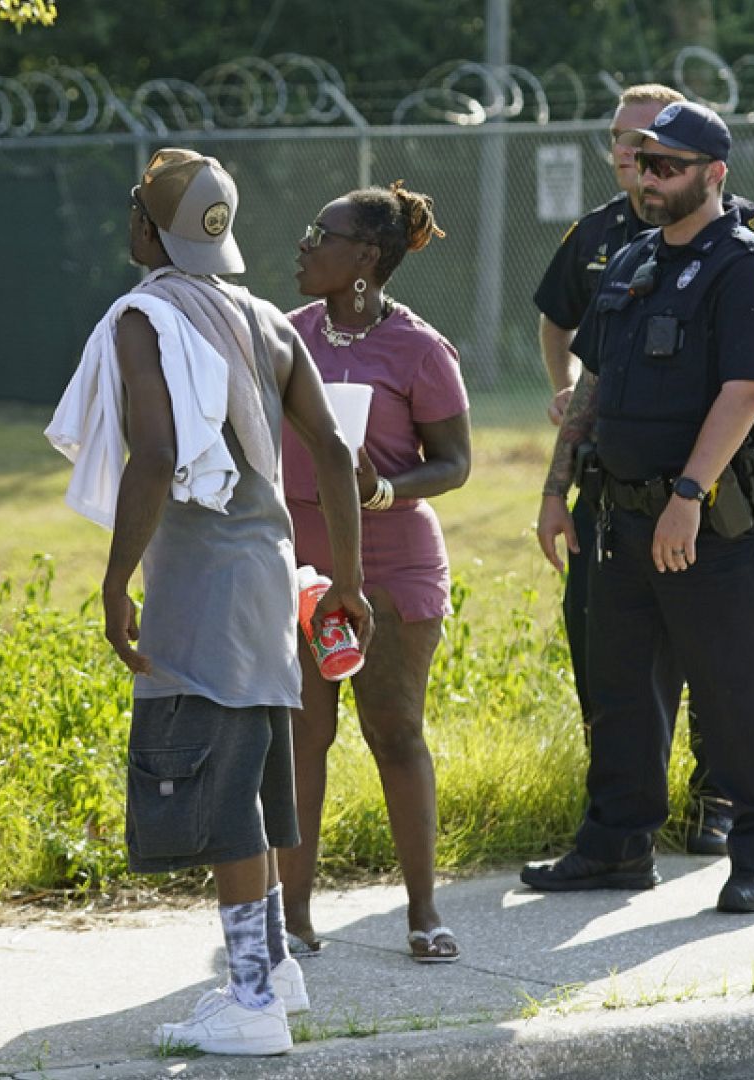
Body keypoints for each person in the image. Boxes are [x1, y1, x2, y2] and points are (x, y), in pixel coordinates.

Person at [48, 149, 370, 1056]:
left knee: (223, 793)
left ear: (149, 230)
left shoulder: (145, 317)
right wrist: (343, 580)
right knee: (258, 786)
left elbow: (153, 456)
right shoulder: (267, 319)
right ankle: (274, 971)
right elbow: (336, 455)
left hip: (202, 586)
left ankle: (254, 1002)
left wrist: (115, 583)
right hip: (269, 576)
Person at [532, 84, 754, 856]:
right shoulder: (632, 258)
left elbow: (748, 388)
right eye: (641, 161)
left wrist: (686, 495)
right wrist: (553, 490)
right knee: (621, 694)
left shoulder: (748, 265)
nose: (646, 178)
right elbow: (596, 383)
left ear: (711, 174)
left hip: (707, 519)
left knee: (732, 690)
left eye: (666, 167)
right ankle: (615, 847)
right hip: (619, 514)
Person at [277, 182, 470, 963]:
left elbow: (455, 463)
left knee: (394, 733)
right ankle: (292, 917)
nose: (303, 243)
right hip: (297, 564)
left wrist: (384, 488)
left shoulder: (421, 349)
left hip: (393, 565)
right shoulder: (285, 335)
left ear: (363, 258)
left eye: (319, 233)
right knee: (301, 739)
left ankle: (424, 913)